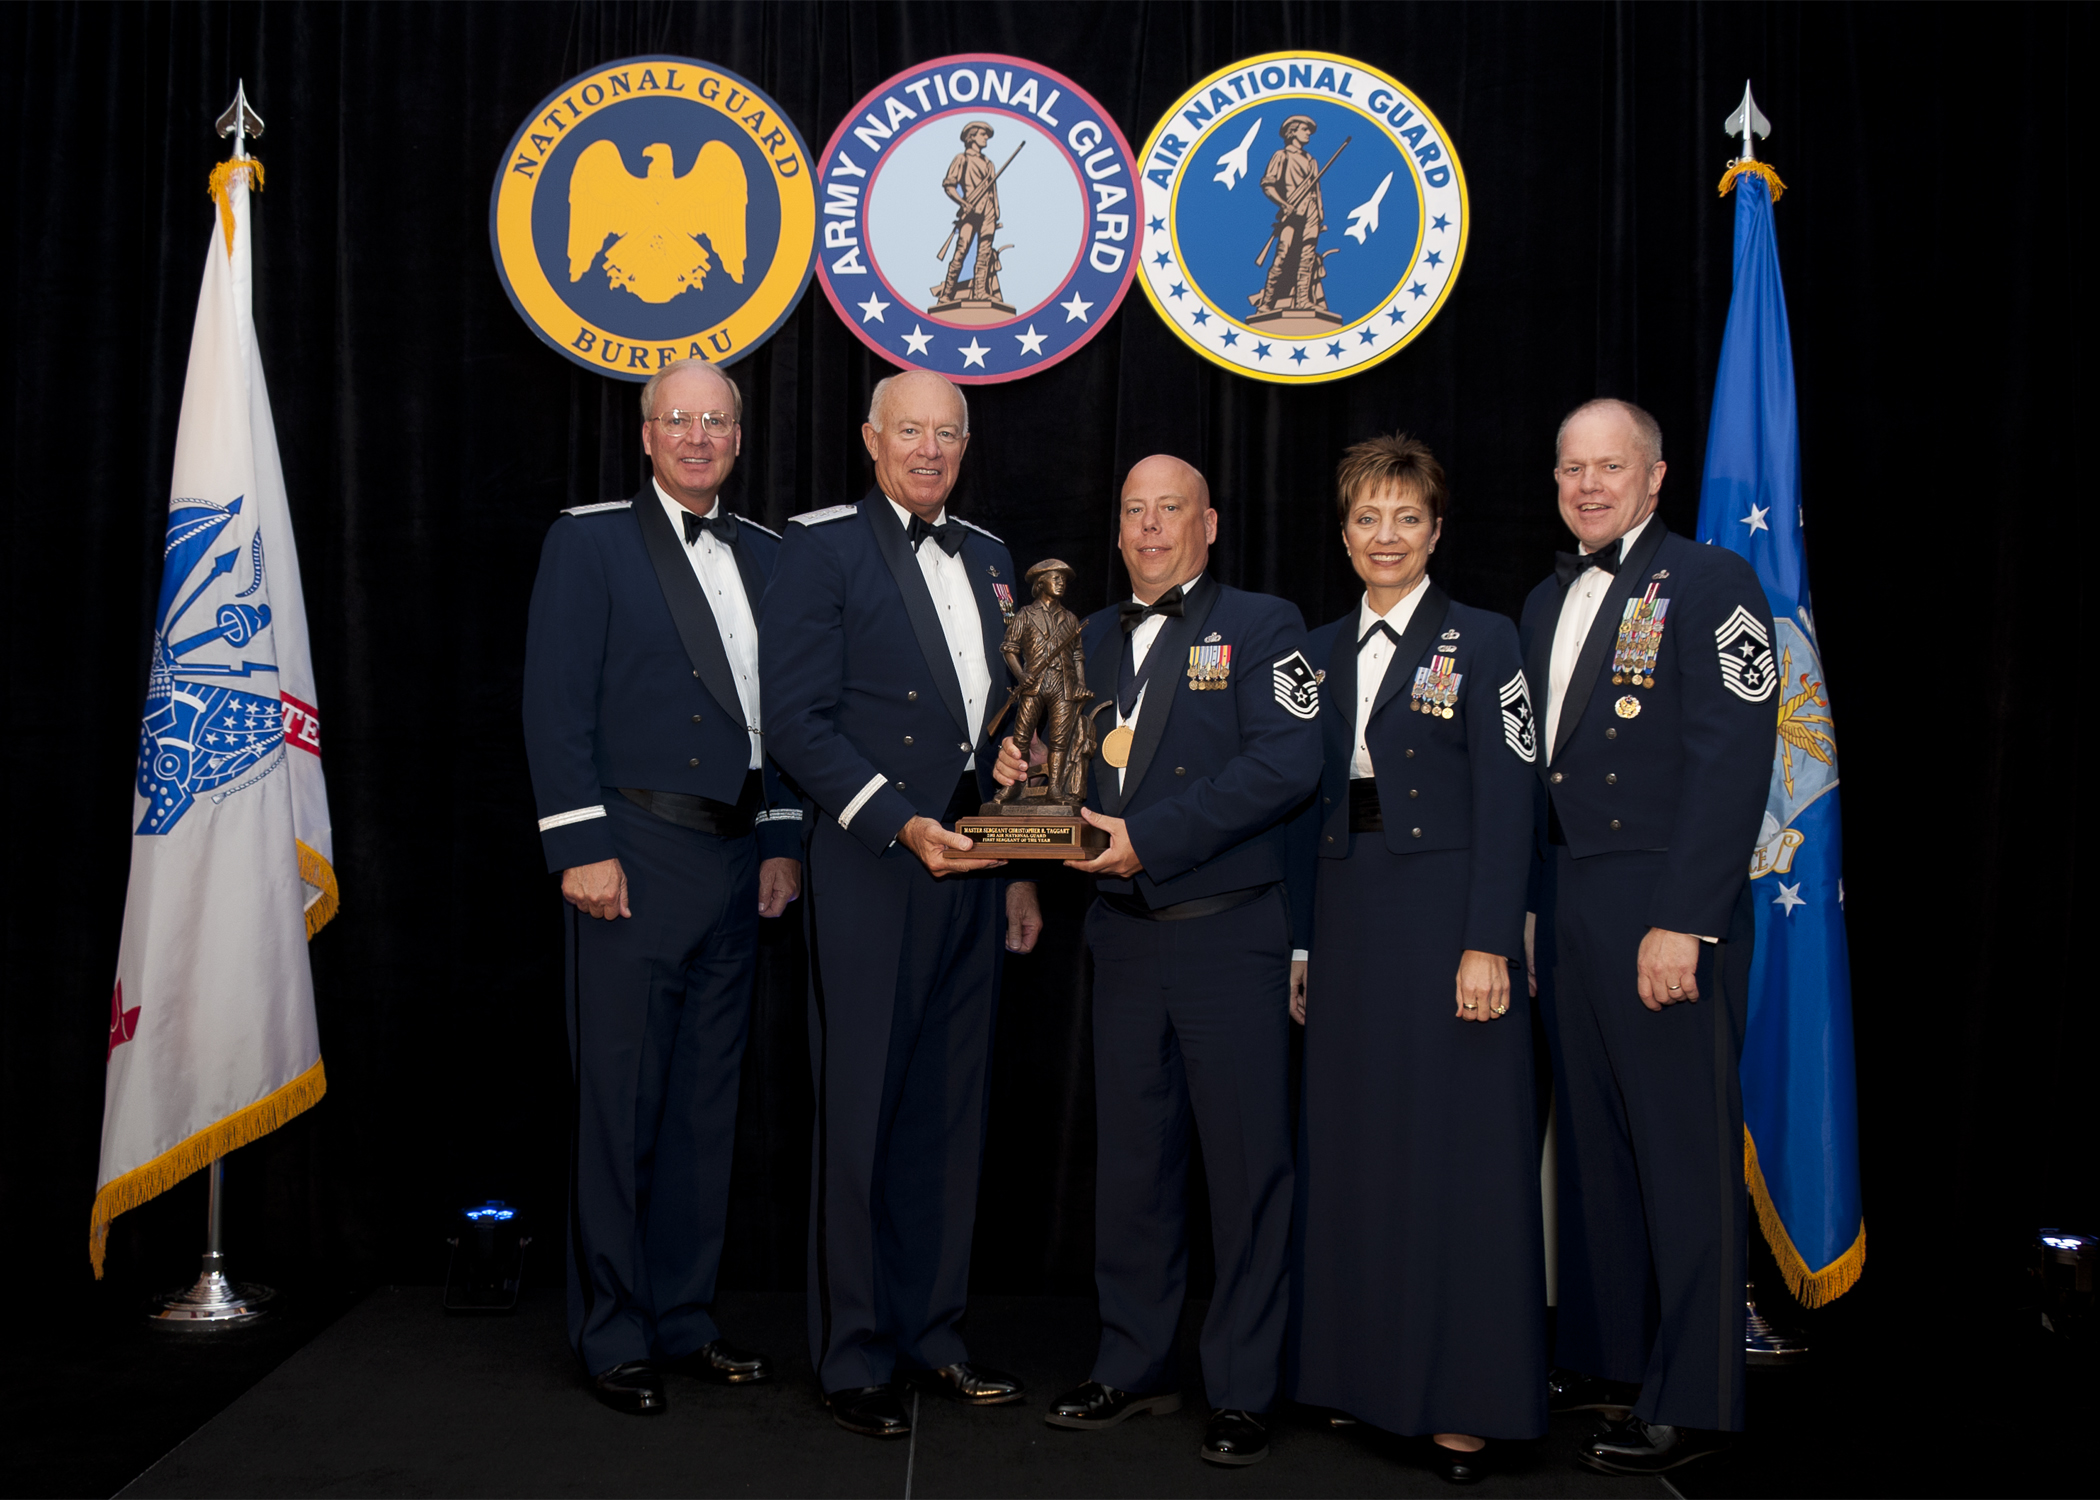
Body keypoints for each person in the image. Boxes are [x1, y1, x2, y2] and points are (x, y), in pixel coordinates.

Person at [999, 455, 1321, 1469]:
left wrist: (1155, 836)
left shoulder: (1266, 625)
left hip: (1230, 932)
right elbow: (1055, 768)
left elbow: (1288, 762)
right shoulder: (1086, 637)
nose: (1147, 528)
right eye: (1133, 511)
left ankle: (1243, 1386)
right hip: (1124, 938)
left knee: (1246, 1169)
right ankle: (1132, 1365)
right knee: (1134, 1170)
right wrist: (1017, 769)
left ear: (1210, 523)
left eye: (1168, 509)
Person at [759, 369, 1044, 1441]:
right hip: (879, 861)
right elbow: (794, 718)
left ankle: (935, 1336)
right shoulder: (820, 547)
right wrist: (898, 820)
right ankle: (853, 1353)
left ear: (966, 449)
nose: (929, 451)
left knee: (947, 1115)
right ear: (872, 438)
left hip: (975, 869)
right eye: (910, 432)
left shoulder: (992, 557)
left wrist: (1016, 852)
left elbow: (1007, 726)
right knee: (864, 1115)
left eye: (948, 436)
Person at [522, 358, 804, 1416]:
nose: (698, 436)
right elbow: (554, 705)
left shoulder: (771, 556)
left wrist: (780, 837)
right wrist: (578, 845)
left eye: (717, 421)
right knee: (621, 1106)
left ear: (739, 436)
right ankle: (611, 1333)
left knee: (704, 1108)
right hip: (632, 855)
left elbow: (786, 713)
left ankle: (684, 1320)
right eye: (679, 419)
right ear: (646, 435)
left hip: (736, 862)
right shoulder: (588, 540)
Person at [1518, 399, 1775, 1475]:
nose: (1588, 485)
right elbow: (1539, 778)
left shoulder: (1713, 585)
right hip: (1572, 903)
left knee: (1681, 1153)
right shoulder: (1540, 601)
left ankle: (1698, 1391)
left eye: (1608, 467)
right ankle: (1605, 1355)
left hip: (1666, 904)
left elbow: (1733, 759)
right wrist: (1529, 908)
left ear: (1655, 478)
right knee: (1591, 1148)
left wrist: (1687, 918)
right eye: (1571, 467)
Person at [1284, 434, 1544, 1485]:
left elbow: (1512, 798)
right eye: (1365, 518)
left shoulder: (1487, 642)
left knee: (1458, 1161)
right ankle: (1362, 1378)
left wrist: (1490, 937)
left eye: (1404, 518)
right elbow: (1295, 809)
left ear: (1436, 531)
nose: (1384, 536)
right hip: (1348, 913)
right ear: (1343, 535)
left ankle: (1466, 1400)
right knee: (1357, 1153)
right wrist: (1302, 939)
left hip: (1447, 920)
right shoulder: (1310, 650)